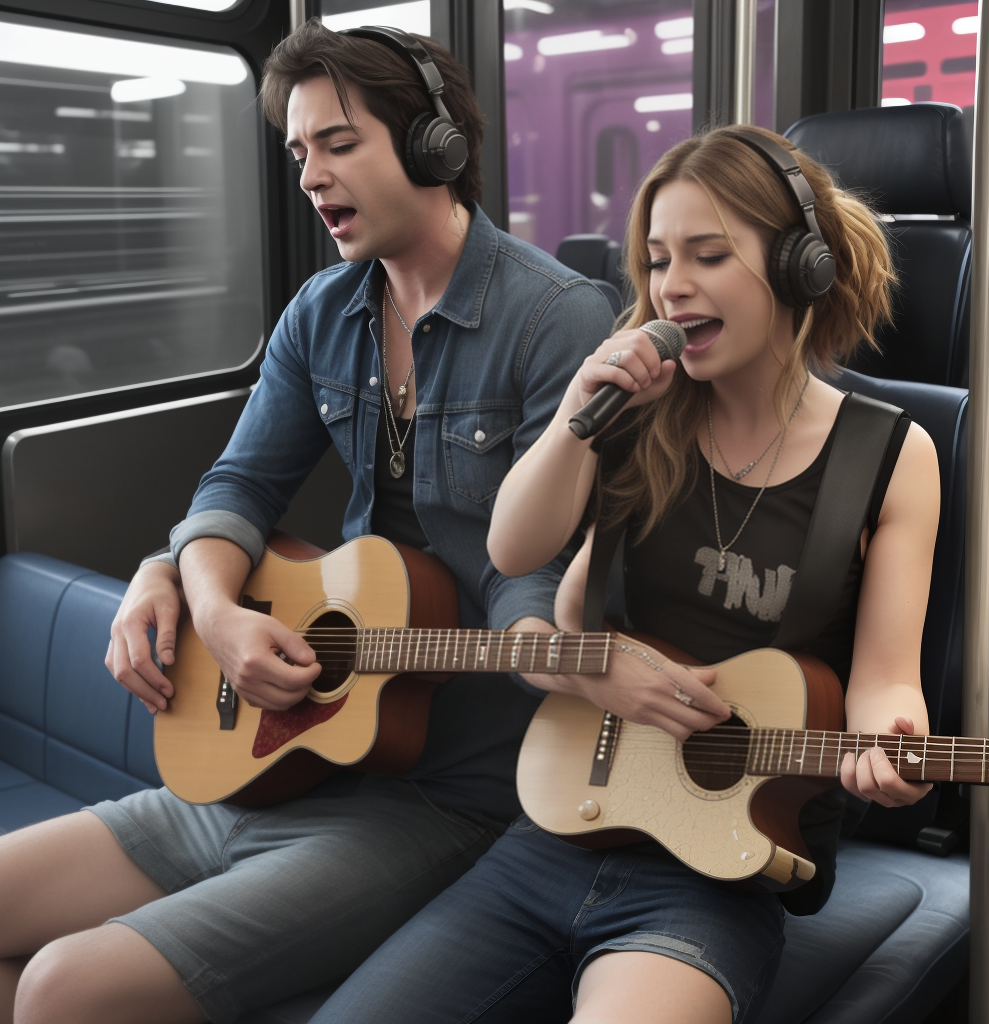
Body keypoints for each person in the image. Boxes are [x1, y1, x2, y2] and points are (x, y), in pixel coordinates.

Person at [0, 20, 614, 1024]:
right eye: (297, 153)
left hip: (444, 796)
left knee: (61, 987)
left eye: (338, 143)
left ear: (433, 144)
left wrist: (543, 639)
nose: (311, 177)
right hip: (275, 755)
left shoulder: (557, 322)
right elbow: (236, 487)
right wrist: (209, 603)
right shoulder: (319, 313)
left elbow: (533, 578)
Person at [299, 125, 940, 1024]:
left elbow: (883, 684)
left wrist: (895, 746)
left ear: (800, 267)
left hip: (719, 869)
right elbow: (514, 552)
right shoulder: (638, 416)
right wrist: (575, 413)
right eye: (658, 260)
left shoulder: (891, 454)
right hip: (558, 824)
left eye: (708, 256)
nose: (671, 286)